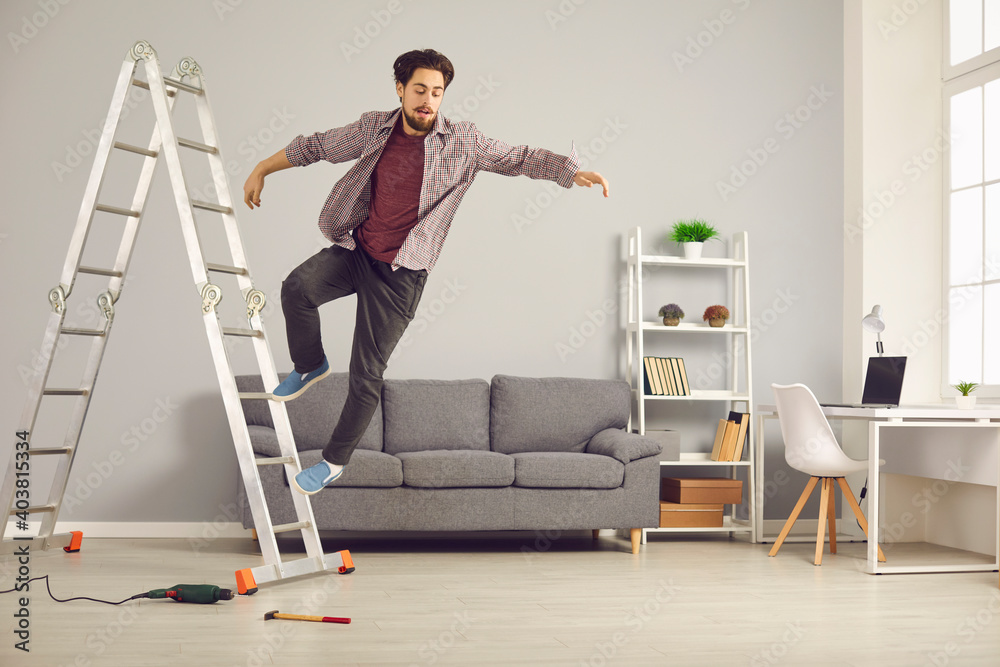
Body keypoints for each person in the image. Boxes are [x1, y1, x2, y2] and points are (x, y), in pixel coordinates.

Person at [242, 49, 610, 495]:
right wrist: (263, 166)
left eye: (437, 92)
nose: (428, 101)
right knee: (297, 288)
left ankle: (333, 462)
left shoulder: (462, 141)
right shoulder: (374, 128)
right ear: (400, 89)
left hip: (401, 274)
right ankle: (310, 364)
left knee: (366, 375)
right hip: (358, 250)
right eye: (420, 90)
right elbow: (316, 146)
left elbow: (519, 157)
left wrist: (568, 173)